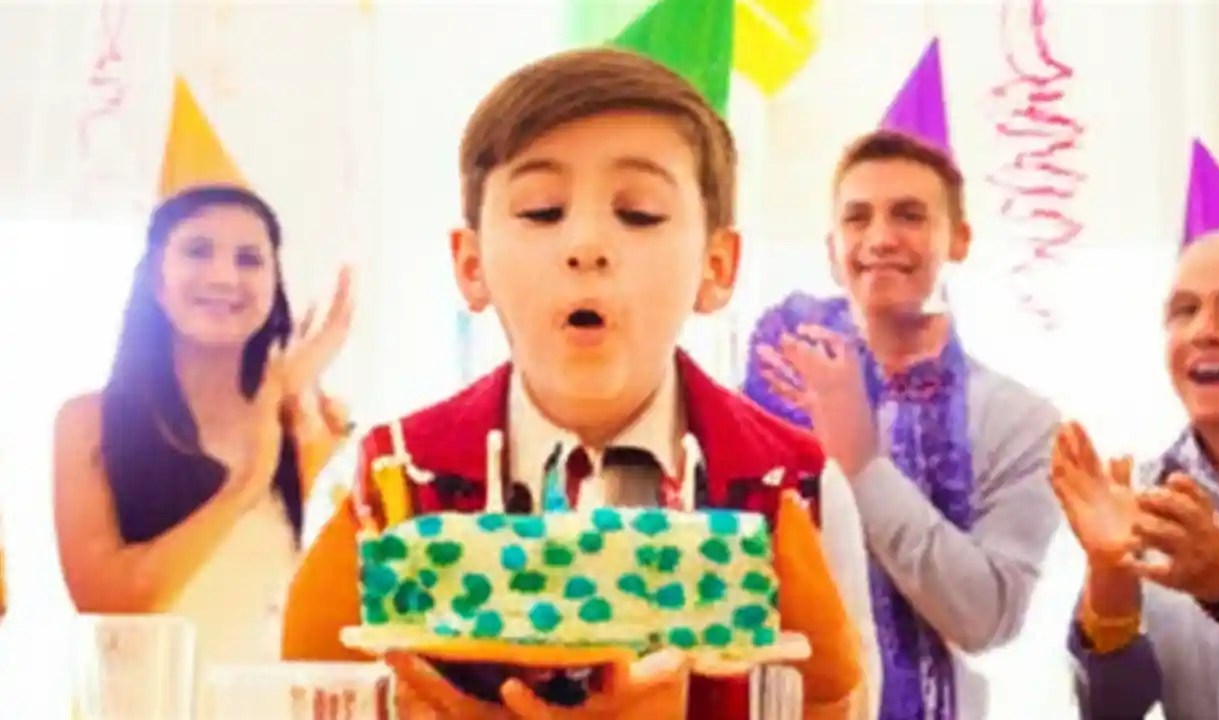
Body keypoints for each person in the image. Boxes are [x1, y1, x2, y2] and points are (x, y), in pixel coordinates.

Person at [282, 48, 879, 719]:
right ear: (471, 264)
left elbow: (841, 699)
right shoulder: (381, 491)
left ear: (717, 264)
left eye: (641, 213)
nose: (588, 244)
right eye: (541, 211)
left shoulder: (795, 491)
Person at [745, 129, 1061, 719]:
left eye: (910, 215)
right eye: (857, 218)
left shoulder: (1020, 420)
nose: (880, 239)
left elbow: (986, 619)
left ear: (959, 240)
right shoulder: (773, 386)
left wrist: (862, 466)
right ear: (831, 248)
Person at [53, 185, 353, 666]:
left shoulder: (306, 423)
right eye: (197, 251)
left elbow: (341, 598)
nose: (223, 276)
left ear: (275, 284)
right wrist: (246, 483)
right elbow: (110, 603)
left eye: (249, 259)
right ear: (156, 277)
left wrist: (293, 402)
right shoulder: (88, 422)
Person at [1056, 229, 1219, 719]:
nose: (1204, 331)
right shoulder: (1146, 495)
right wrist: (1110, 572)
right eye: (1184, 311)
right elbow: (1114, 710)